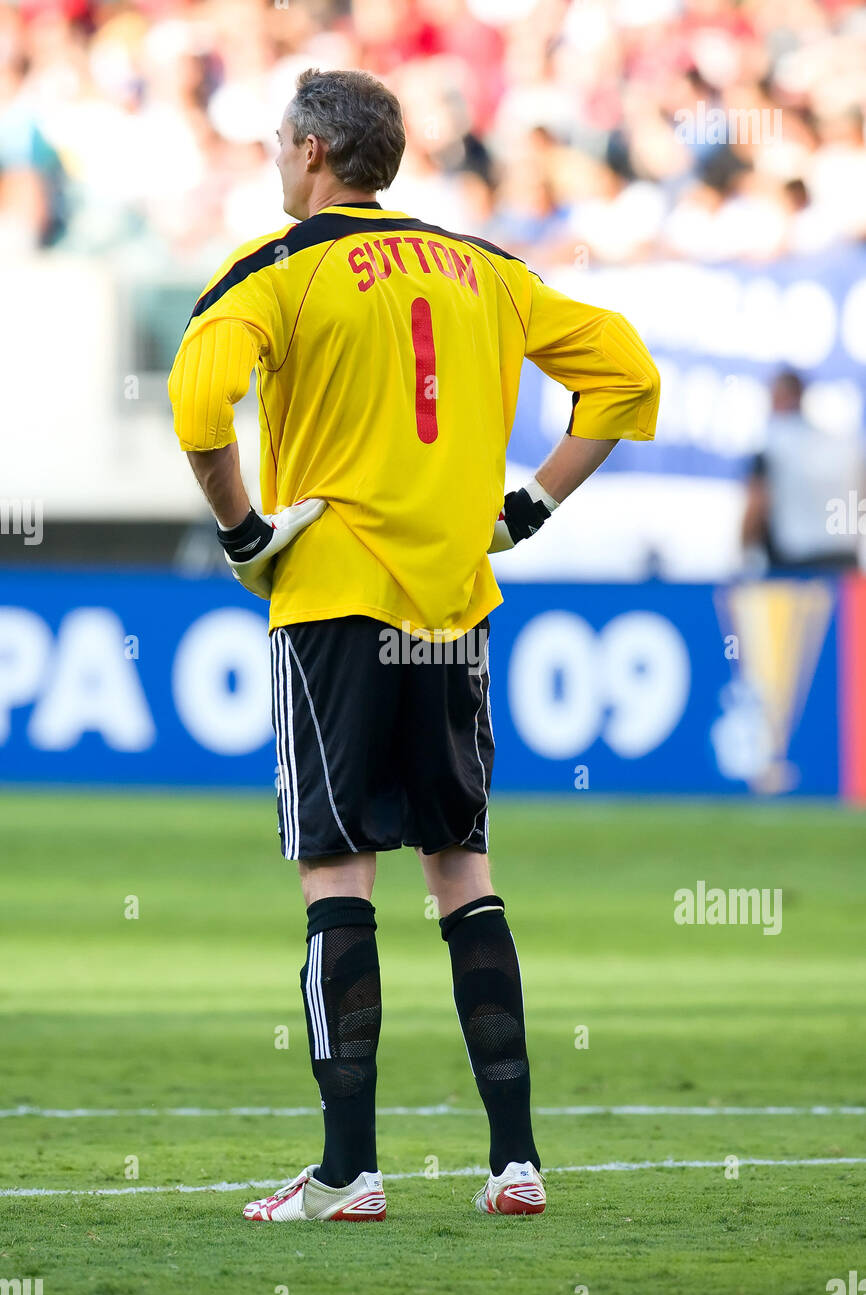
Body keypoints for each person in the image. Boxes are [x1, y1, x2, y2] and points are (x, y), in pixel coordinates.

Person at [168, 67, 660, 1224]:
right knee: (463, 875)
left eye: (280, 140)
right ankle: (514, 1160)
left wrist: (244, 531)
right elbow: (627, 377)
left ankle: (347, 1171)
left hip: (332, 602)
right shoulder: (482, 266)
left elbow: (198, 412)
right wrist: (526, 505)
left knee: (337, 875)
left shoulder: (271, 272)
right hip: (451, 606)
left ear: (315, 155)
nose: (274, 159)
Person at [742, 370, 863, 572]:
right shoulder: (845, 446)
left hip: (794, 566)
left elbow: (757, 505)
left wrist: (743, 554)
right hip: (845, 562)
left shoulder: (773, 444)